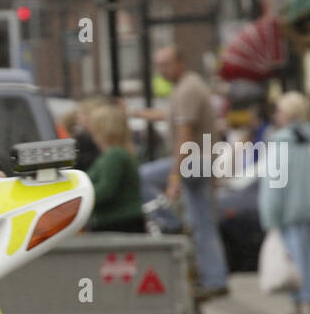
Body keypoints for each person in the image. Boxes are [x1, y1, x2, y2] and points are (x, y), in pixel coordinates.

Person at [142, 44, 229, 297]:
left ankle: (171, 222)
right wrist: (135, 112)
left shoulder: (187, 90)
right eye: (159, 66)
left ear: (180, 62)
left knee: (141, 177)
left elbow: (184, 135)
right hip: (203, 161)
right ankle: (214, 278)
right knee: (203, 222)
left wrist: (174, 177)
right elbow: (167, 116)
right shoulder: (187, 87)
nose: (162, 70)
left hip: (194, 161)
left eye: (166, 64)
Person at [259, 92, 310, 314]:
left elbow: (274, 185)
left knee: (293, 262)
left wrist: (270, 217)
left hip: (290, 214)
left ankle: (298, 310)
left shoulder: (280, 144)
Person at [86, 102, 145, 232]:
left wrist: (80, 197)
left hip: (117, 223)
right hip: (126, 222)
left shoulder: (114, 155)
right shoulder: (122, 153)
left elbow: (106, 190)